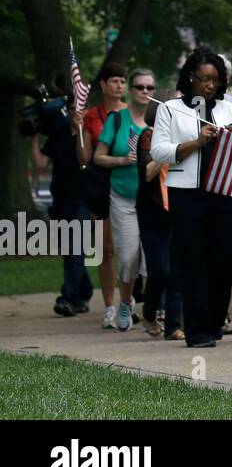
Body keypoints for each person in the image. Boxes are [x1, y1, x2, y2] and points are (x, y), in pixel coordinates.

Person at [149, 50, 232, 348]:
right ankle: (198, 330)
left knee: (228, 257)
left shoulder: (230, 108)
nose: (210, 86)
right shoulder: (170, 108)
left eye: (216, 80)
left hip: (225, 190)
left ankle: (215, 320)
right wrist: (196, 142)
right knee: (193, 260)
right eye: (205, 79)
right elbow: (159, 151)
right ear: (191, 77)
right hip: (187, 193)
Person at [93, 68, 153, 332]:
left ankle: (153, 310)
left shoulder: (158, 121)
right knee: (128, 257)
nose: (145, 92)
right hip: (123, 198)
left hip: (152, 199)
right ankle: (126, 300)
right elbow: (97, 157)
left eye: (150, 88)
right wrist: (122, 160)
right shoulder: (118, 119)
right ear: (131, 90)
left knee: (154, 260)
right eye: (139, 87)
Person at [75, 61, 127, 328]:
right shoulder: (92, 116)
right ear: (103, 85)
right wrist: (78, 131)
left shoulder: (131, 114)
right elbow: (84, 159)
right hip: (101, 187)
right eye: (114, 80)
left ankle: (127, 303)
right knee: (106, 249)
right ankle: (109, 305)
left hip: (128, 185)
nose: (119, 85)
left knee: (130, 249)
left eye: (122, 80)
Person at [44, 76, 93, 317]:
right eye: (74, 109)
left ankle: (69, 298)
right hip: (60, 197)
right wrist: (36, 135)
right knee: (70, 249)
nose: (78, 114)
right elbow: (41, 163)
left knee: (75, 248)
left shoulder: (89, 134)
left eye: (82, 109)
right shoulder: (59, 132)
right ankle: (84, 292)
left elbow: (84, 160)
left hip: (82, 198)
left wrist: (80, 130)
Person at [135, 104, 183, 340]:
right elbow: (147, 173)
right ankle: (149, 311)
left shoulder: (185, 138)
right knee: (160, 271)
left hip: (178, 209)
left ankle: (174, 326)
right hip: (153, 213)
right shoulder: (148, 136)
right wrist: (168, 150)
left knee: (177, 270)